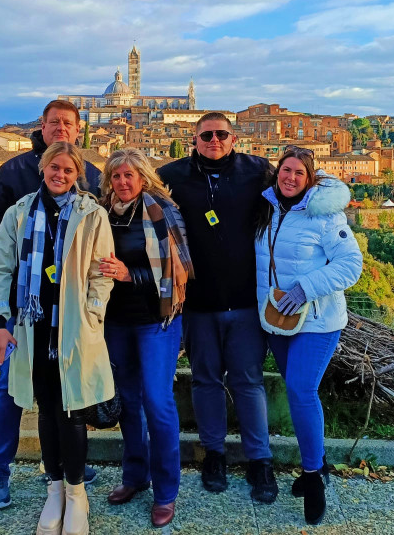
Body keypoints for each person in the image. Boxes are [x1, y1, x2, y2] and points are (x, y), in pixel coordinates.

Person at [0, 100, 103, 510]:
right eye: (54, 123)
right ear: (42, 127)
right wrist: (31, 240)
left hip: (70, 308)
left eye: (68, 123)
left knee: (69, 386)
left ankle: (70, 465)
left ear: (78, 130)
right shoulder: (13, 172)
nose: (61, 129)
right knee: (9, 389)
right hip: (24, 305)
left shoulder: (93, 176)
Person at [157, 113, 279, 503]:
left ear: (234, 138)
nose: (214, 140)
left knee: (248, 380)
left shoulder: (258, 171)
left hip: (246, 301)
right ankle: (214, 454)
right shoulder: (172, 175)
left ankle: (260, 460)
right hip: (198, 303)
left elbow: (300, 188)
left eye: (221, 134)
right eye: (206, 135)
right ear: (193, 139)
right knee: (205, 379)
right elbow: (130, 193)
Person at [254, 147, 362, 525]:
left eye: (299, 172)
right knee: (296, 390)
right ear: (277, 173)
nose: (291, 178)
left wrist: (305, 288)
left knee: (301, 391)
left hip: (317, 319)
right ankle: (319, 465)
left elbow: (351, 265)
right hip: (278, 320)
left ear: (310, 178)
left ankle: (313, 477)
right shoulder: (267, 208)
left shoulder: (326, 215)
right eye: (286, 170)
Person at [97, 149, 194, 528]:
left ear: (143, 178)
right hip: (115, 321)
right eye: (116, 176)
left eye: (129, 175)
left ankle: (166, 492)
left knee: (157, 401)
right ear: (109, 180)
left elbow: (181, 266)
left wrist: (129, 274)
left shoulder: (162, 211)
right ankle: (135, 476)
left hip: (157, 320)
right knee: (129, 402)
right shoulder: (101, 214)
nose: (122, 182)